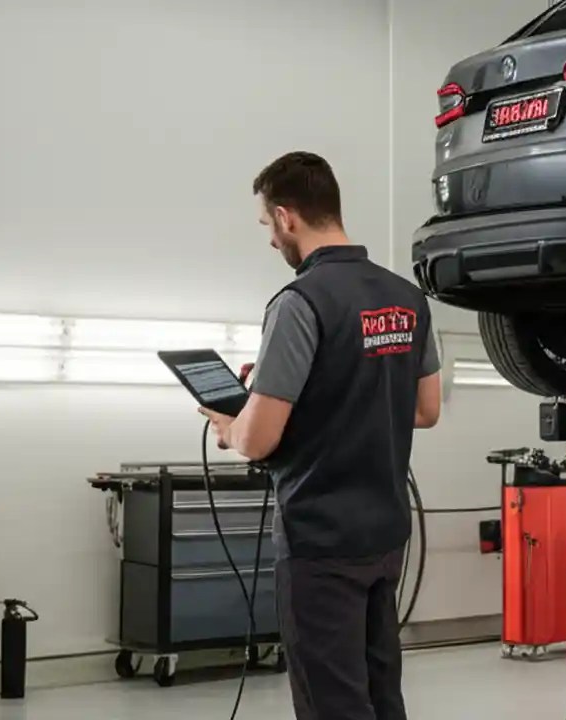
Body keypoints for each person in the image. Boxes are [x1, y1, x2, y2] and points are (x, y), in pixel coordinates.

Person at [200, 151, 441, 720]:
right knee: (382, 695)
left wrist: (231, 427)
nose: (269, 240)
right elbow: (426, 409)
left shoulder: (300, 302)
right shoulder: (406, 297)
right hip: (385, 532)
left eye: (266, 225)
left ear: (287, 218)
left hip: (321, 540)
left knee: (331, 701)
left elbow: (259, 442)